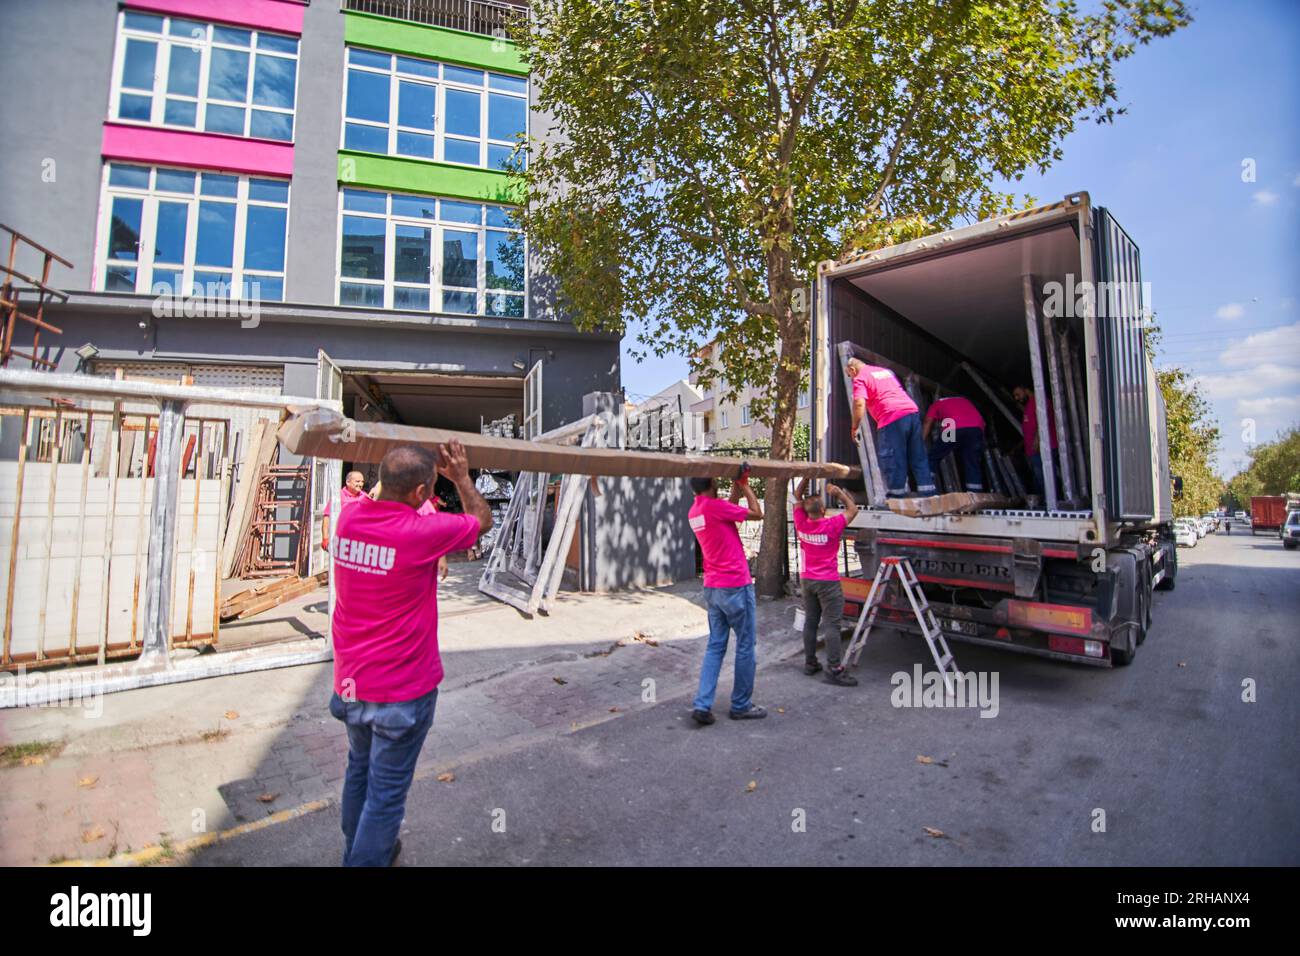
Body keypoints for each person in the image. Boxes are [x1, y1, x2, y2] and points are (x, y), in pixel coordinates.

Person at [328, 440, 491, 866]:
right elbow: (481, 521)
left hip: (350, 684)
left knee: (358, 773)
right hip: (400, 692)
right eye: (429, 487)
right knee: (385, 795)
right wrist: (460, 477)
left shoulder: (347, 519)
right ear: (421, 494)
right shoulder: (420, 534)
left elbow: (381, 498)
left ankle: (358, 848)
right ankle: (363, 859)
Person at [687, 470, 766, 725]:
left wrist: (734, 489)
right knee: (745, 645)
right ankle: (741, 705)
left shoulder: (696, 510)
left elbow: (727, 511)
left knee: (716, 646)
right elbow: (757, 512)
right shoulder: (715, 507)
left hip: (713, 587)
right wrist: (745, 486)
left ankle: (702, 704)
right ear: (711, 484)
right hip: (735, 585)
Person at [793, 478, 858, 686]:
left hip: (807, 580)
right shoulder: (832, 524)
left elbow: (796, 495)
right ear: (823, 510)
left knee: (811, 621)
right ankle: (834, 669)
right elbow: (853, 509)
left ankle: (810, 663)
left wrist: (806, 476)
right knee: (832, 624)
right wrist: (838, 493)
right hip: (828, 582)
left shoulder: (800, 523)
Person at [847, 357, 936, 498]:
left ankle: (896, 495)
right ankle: (929, 493)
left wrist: (854, 427)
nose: (850, 378)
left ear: (852, 369)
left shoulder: (860, 378)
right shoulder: (885, 372)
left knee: (893, 457)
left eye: (849, 374)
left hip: (891, 416)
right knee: (917, 454)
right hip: (911, 412)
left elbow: (859, 404)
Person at [922, 396, 987, 492]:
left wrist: (919, 442)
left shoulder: (936, 404)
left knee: (934, 456)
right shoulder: (964, 400)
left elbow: (927, 422)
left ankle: (926, 487)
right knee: (972, 460)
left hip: (952, 425)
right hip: (976, 427)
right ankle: (975, 493)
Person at [1012, 385, 1059, 501]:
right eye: (1015, 396)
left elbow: (1042, 421)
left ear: (1026, 390)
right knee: (1039, 478)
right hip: (1034, 450)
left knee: (1045, 477)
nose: (1017, 398)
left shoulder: (1039, 401)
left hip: (1042, 448)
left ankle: (1051, 502)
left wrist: (1038, 439)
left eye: (1018, 394)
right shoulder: (1029, 406)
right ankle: (1043, 501)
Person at [321, 470, 366, 552]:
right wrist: (325, 538)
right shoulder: (338, 496)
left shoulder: (364, 496)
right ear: (348, 482)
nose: (360, 484)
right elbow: (327, 516)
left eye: (362, 482)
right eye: (357, 481)